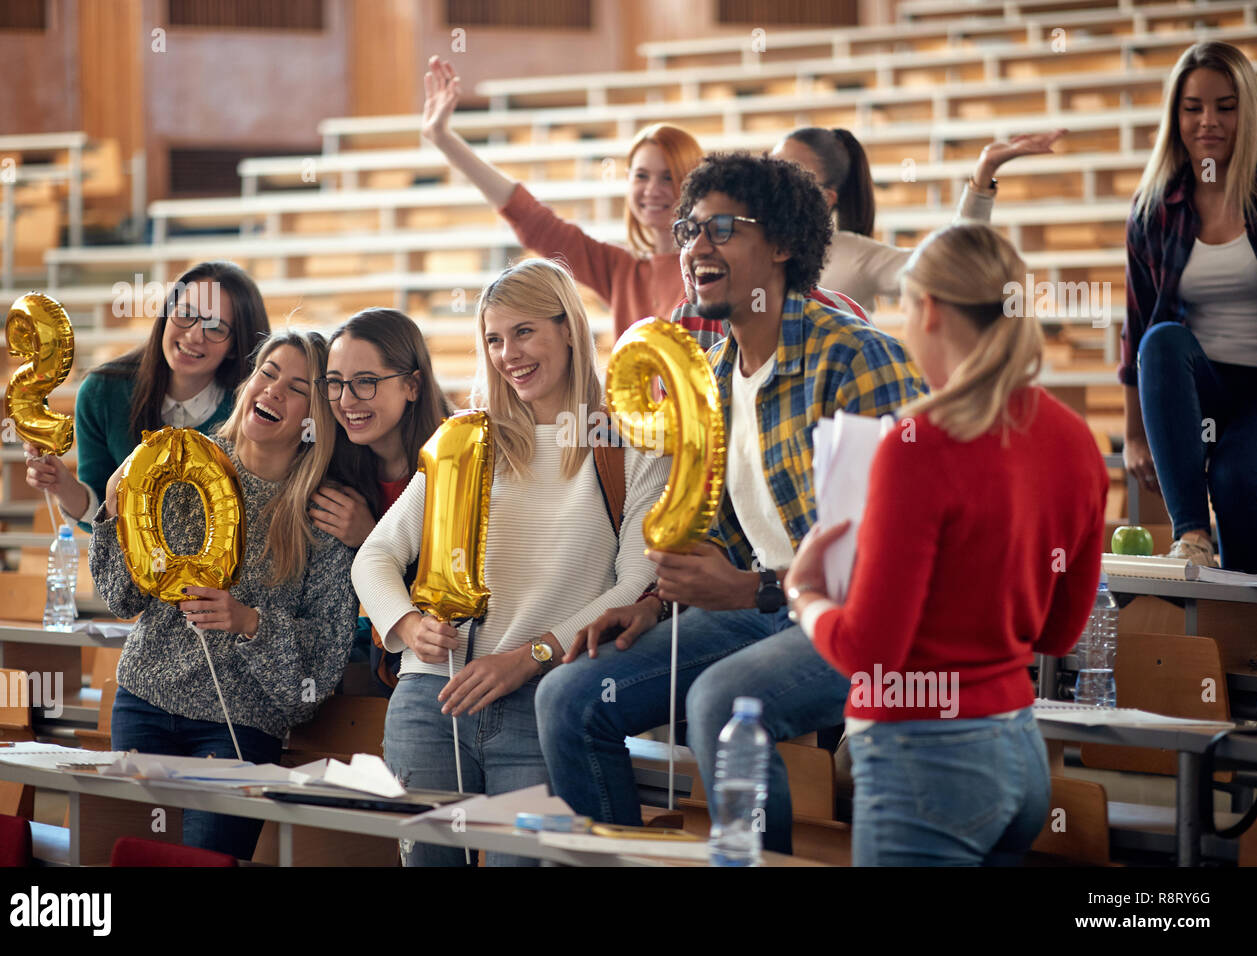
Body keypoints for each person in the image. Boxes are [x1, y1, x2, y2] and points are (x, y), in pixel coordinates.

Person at [535, 153, 927, 856]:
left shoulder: (857, 361)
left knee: (720, 701)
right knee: (567, 696)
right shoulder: (713, 379)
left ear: (781, 244)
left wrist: (752, 589)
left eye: (721, 228)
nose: (694, 247)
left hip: (870, 623)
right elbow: (716, 533)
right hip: (766, 613)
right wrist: (653, 603)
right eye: (689, 229)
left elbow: (897, 561)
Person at [785, 223, 1109, 865]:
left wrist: (806, 593)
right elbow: (1058, 633)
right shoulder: (1077, 439)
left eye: (906, 309)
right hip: (1019, 755)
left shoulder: (921, 442)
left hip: (926, 760)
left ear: (928, 309)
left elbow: (868, 652)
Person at [351, 258, 670, 866]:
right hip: (431, 700)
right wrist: (408, 626)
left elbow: (633, 585)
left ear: (568, 329)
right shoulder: (471, 440)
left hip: (542, 703)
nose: (507, 354)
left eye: (524, 332)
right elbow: (375, 557)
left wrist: (530, 657)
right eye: (493, 339)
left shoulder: (629, 444)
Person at [89, 330, 358, 859]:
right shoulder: (181, 465)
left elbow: (316, 676)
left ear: (317, 418)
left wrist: (249, 623)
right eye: (268, 372)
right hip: (143, 705)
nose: (274, 390)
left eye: (298, 387)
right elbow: (121, 598)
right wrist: (113, 511)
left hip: (238, 730)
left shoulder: (326, 516)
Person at [420, 55, 703, 337]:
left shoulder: (707, 266)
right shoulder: (621, 270)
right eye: (641, 176)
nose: (652, 189)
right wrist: (442, 138)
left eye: (668, 177)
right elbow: (530, 218)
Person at [1123, 40, 1257, 573]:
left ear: (1246, 111)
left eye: (1226, 106)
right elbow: (1136, 326)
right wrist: (1134, 434)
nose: (1209, 122)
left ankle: (1245, 609)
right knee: (1162, 339)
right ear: (1175, 114)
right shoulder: (1155, 208)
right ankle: (1193, 536)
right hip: (1201, 388)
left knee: (1232, 472)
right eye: (1192, 107)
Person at [26, 260, 271, 529]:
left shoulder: (253, 408)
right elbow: (100, 519)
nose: (193, 335)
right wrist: (61, 484)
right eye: (186, 313)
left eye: (215, 328)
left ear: (235, 346)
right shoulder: (102, 392)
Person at [768, 126, 1068, 313]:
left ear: (826, 197)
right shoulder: (747, 247)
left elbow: (952, 261)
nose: (771, 182)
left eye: (788, 173)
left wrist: (983, 173)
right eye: (770, 169)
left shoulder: (854, 256)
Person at [315, 308, 452, 693]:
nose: (346, 399)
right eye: (335, 383)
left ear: (412, 385)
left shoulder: (456, 461)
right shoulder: (335, 468)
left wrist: (369, 537)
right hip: (373, 647)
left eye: (366, 382)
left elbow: (453, 591)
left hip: (439, 656)